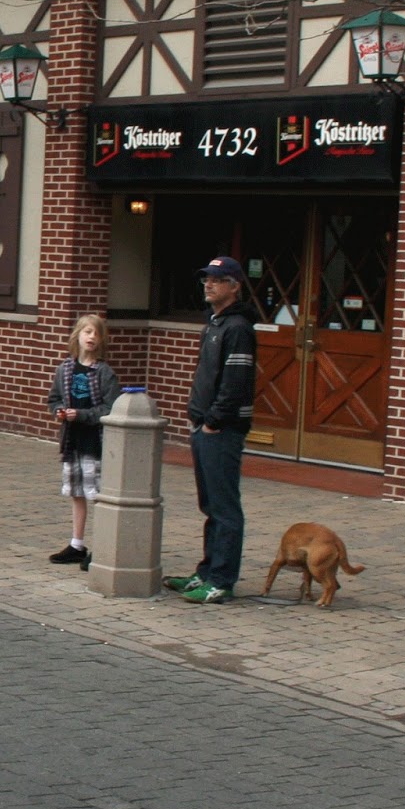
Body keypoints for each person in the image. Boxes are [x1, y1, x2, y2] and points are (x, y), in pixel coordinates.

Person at [178, 256, 258, 604]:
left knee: (224, 507)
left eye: (217, 279)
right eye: (205, 279)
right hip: (203, 425)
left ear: (235, 285)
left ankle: (222, 580)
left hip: (221, 430)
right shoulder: (213, 324)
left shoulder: (238, 328)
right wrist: (195, 415)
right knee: (209, 504)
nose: (208, 284)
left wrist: (213, 420)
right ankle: (206, 572)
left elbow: (236, 382)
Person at [46, 314, 120, 570]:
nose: (91, 337)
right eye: (87, 331)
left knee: (97, 494)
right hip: (72, 441)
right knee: (77, 492)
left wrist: (84, 415)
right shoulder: (64, 369)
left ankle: (101, 548)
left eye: (96, 333)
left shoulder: (104, 373)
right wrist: (59, 411)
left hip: (95, 442)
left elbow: (111, 408)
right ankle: (77, 544)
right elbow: (54, 398)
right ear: (77, 335)